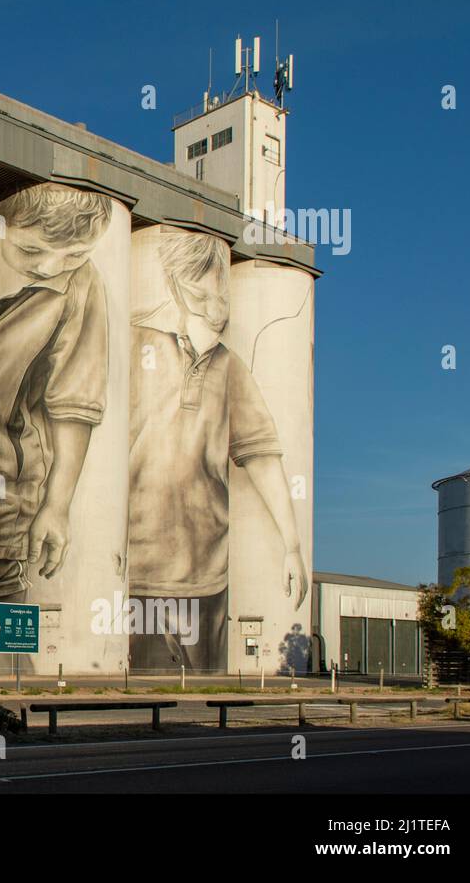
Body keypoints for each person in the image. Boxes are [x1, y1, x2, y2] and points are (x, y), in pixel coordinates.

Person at [128, 230, 307, 671]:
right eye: (200, 293)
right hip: (137, 572)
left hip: (208, 576)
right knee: (141, 688)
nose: (215, 307)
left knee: (200, 692)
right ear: (174, 284)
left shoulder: (228, 365)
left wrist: (292, 546)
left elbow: (262, 455)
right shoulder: (133, 343)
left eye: (220, 293)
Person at [0, 184, 113, 604]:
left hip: (1, 506)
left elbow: (73, 403)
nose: (51, 267)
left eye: (75, 255)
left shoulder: (82, 285)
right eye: (32, 251)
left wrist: (56, 506)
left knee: (2, 648)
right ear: (1, 225)